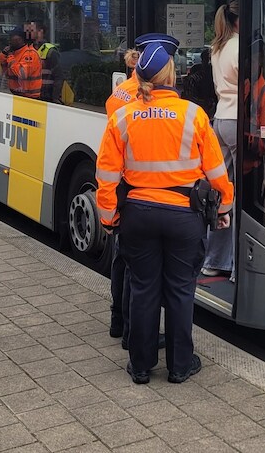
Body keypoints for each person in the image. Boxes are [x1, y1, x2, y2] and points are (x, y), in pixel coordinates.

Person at [96, 41, 233, 385]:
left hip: (138, 215)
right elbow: (217, 172)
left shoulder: (122, 116)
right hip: (184, 216)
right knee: (180, 290)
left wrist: (108, 218)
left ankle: (141, 366)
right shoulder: (194, 115)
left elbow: (107, 175)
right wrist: (224, 208)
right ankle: (179, 366)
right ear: (171, 75)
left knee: (143, 289)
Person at [105, 33, 179, 344]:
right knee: (137, 269)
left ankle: (118, 322)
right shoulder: (143, 97)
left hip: (122, 185)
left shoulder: (122, 91)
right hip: (137, 188)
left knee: (122, 259)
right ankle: (131, 331)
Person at [205, 0, 240, 277]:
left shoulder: (217, 47)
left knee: (222, 191)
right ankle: (238, 264)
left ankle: (214, 260)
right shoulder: (240, 47)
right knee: (241, 194)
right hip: (239, 121)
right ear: (239, 20)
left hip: (221, 119)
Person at [28, 20, 62, 102]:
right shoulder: (28, 49)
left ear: (40, 31)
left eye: (31, 29)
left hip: (46, 96)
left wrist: (55, 98)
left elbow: (59, 76)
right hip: (30, 95)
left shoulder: (50, 51)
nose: (28, 32)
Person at [4, 27, 42, 98]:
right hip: (17, 95)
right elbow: (4, 68)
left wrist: (10, 57)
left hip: (29, 97)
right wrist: (4, 54)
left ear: (20, 39)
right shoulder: (16, 52)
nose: (9, 39)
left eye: (12, 36)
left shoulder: (30, 53)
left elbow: (22, 73)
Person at [180, 49, 217, 119]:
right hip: (197, 113)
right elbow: (190, 98)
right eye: (207, 60)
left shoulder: (220, 77)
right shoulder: (194, 78)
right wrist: (208, 103)